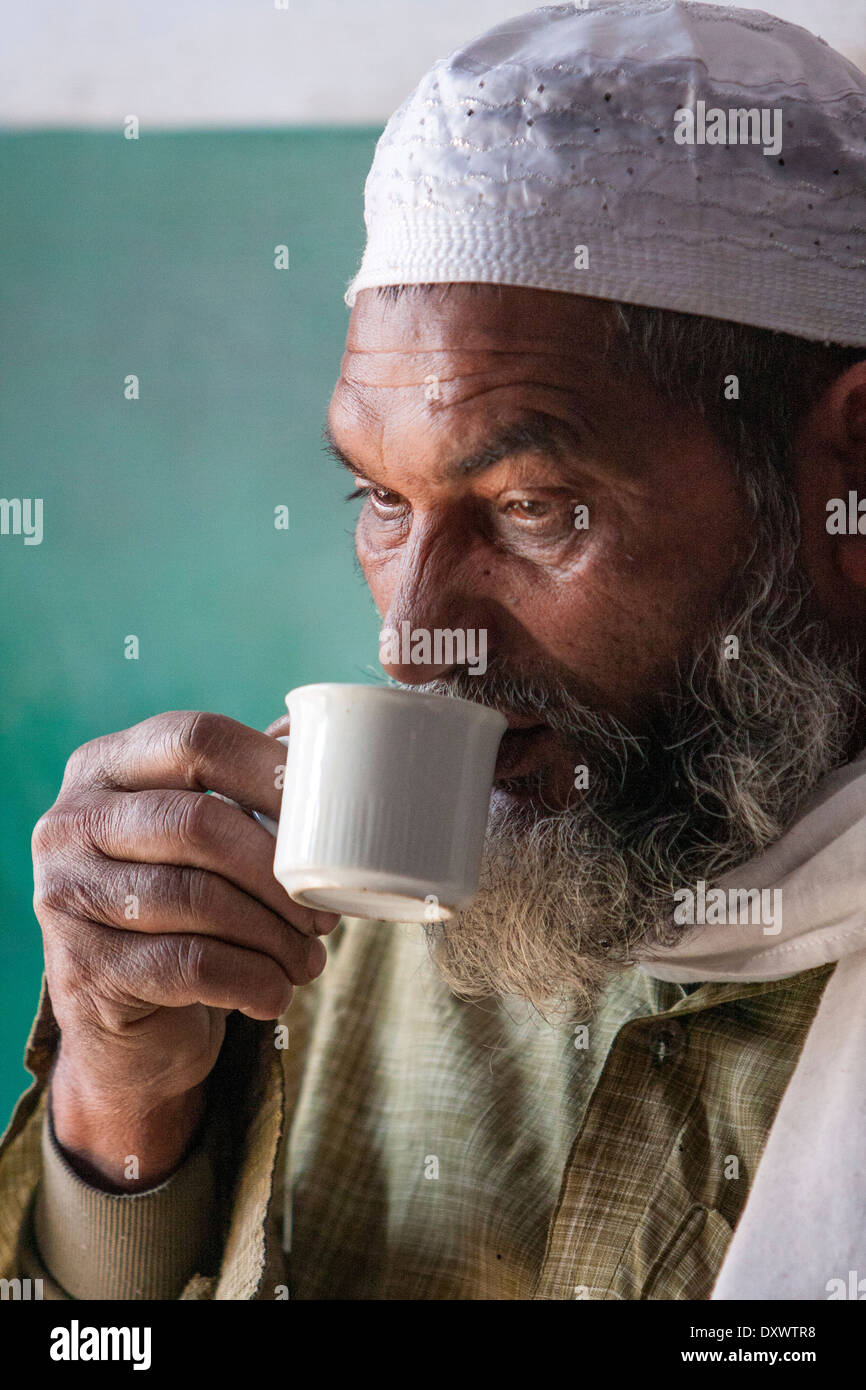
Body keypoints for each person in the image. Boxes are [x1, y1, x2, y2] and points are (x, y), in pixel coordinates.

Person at [1, 0, 865, 1301]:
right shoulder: (332, 923)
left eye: (531, 507)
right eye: (380, 502)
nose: (412, 641)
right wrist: (124, 1098)